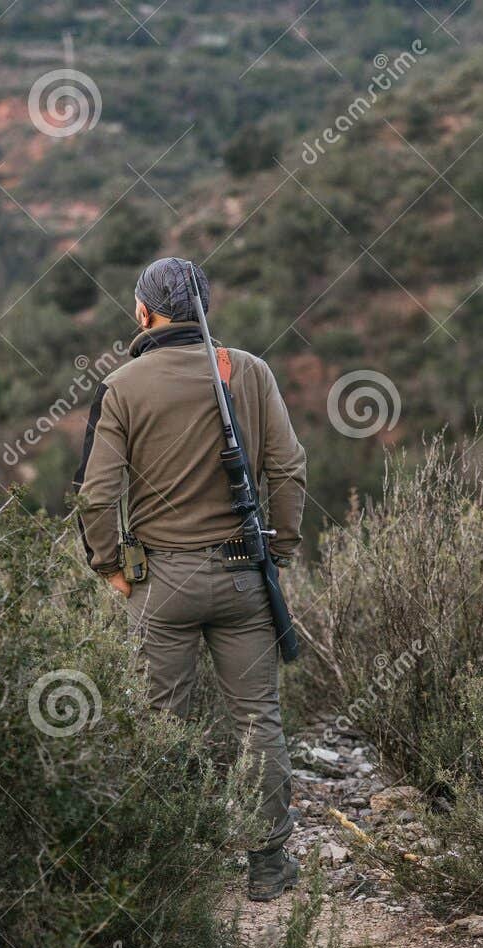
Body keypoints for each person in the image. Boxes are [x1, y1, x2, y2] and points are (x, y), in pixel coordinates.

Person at [73, 257, 307, 901]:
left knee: (159, 724)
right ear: (205, 307)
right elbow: (287, 470)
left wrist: (109, 567)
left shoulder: (121, 385)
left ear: (146, 313)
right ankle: (267, 868)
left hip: (160, 585)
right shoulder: (250, 372)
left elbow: (95, 496)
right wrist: (278, 552)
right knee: (258, 720)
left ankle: (166, 870)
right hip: (242, 578)